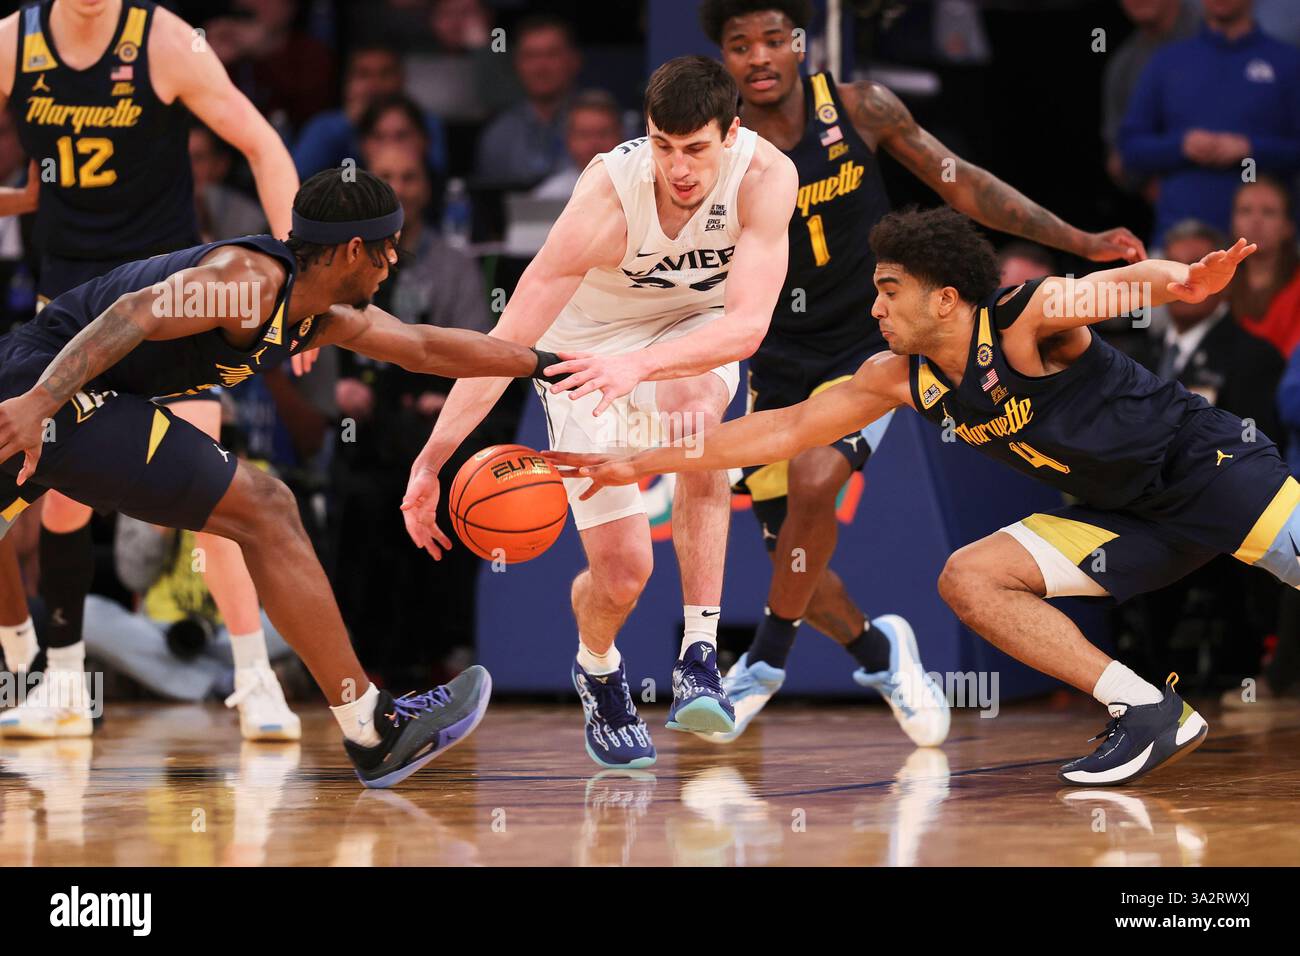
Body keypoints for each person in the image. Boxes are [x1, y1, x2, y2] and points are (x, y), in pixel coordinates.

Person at [548, 206, 1280, 787]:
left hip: (1208, 469)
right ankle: (1148, 709)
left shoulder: (1025, 319)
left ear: (947, 299)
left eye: (889, 291)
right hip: (1126, 518)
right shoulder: (900, 378)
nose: (875, 309)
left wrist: (1179, 279)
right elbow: (782, 431)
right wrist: (639, 460)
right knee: (970, 578)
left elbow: (1102, 289)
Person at [0, 168, 566, 787]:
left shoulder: (321, 314)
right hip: (50, 390)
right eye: (389, 245)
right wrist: (37, 402)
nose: (395, 259)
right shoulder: (246, 282)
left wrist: (545, 363)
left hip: (66, 394)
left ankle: (367, 728)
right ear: (355, 249)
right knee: (266, 506)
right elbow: (134, 311)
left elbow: (425, 348)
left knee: (266, 508)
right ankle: (370, 729)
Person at [697, 0, 1147, 745]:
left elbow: (963, 183)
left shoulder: (859, 107)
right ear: (724, 57)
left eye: (773, 38)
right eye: (741, 45)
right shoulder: (720, 147)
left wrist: (1078, 238)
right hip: (772, 360)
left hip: (868, 347)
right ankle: (881, 652)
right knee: (796, 568)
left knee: (815, 480)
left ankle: (762, 665)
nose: (760, 56)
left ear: (799, 42)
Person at [402, 56, 799, 769]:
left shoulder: (767, 178)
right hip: (586, 352)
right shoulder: (607, 204)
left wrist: (644, 366)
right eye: (663, 145)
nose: (678, 168)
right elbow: (503, 345)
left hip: (690, 336)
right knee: (621, 576)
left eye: (696, 149)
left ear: (732, 134)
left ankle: (699, 654)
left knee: (695, 414)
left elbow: (747, 329)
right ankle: (598, 667)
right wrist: (434, 458)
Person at [0, 0, 303, 740]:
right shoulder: (13, 40)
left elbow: (264, 147)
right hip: (68, 305)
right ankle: (61, 683)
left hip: (168, 298)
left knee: (209, 489)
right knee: (60, 503)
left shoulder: (165, 40)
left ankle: (256, 679)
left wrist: (295, 280)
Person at [1118, 0, 1300, 243]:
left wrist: (1249, 149)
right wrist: (1182, 146)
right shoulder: (1167, 61)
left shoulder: (1287, 62)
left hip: (1266, 250)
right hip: (1181, 244)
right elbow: (1130, 149)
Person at [291, 42, 447, 180]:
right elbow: (299, 177)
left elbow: (437, 176)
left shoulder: (424, 122)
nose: (375, 84)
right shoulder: (325, 127)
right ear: (348, 82)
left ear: (401, 79)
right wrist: (349, 124)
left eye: (385, 74)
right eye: (364, 74)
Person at [473, 15, 581, 189]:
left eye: (551, 54)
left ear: (574, 60)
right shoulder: (497, 135)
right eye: (531, 56)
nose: (541, 67)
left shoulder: (605, 128)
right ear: (517, 64)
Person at [1231, 176, 1300, 356]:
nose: (1256, 220)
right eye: (1245, 211)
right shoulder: (1217, 283)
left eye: (1268, 212)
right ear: (1233, 222)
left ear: (1288, 227)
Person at [532, 90, 625, 200]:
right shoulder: (547, 197)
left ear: (621, 136)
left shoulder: (641, 188)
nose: (594, 143)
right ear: (569, 140)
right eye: (584, 135)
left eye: (603, 133)